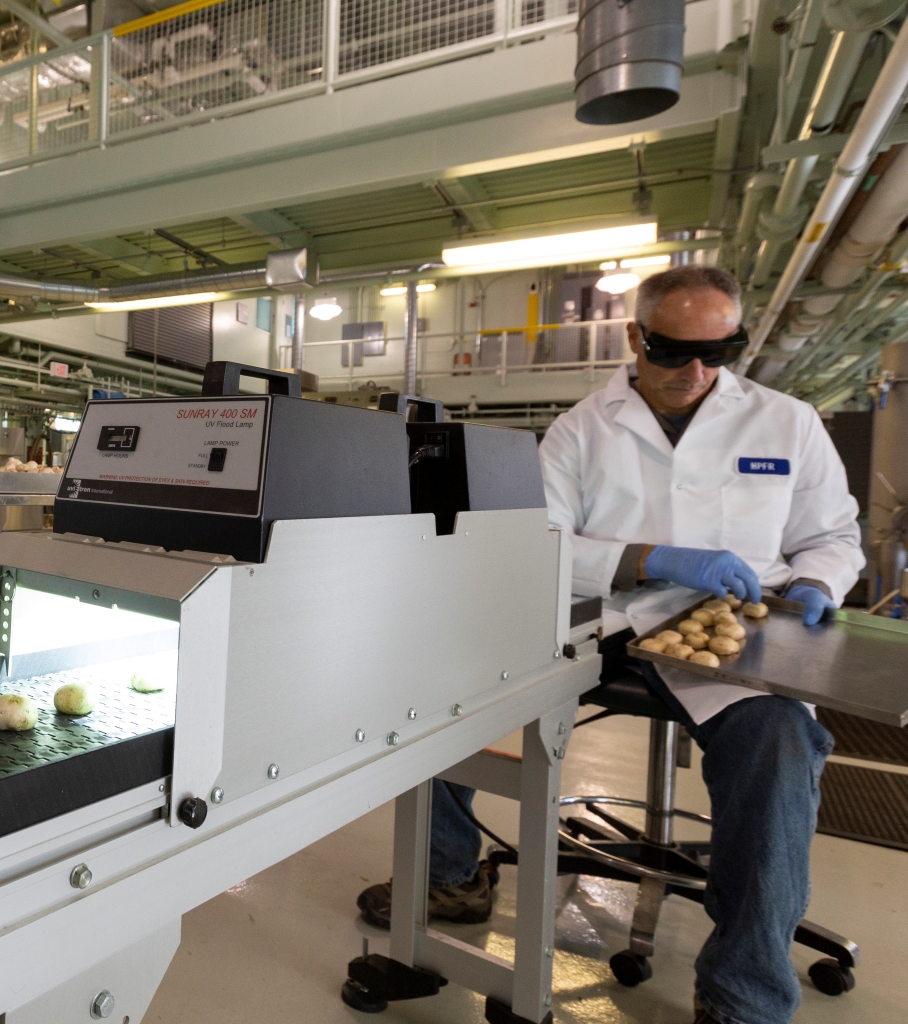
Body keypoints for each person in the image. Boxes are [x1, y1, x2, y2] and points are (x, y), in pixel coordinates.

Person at [356, 266, 864, 1024]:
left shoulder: (787, 422)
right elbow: (545, 539)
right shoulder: (583, 427)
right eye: (674, 351)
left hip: (736, 635)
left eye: (719, 352)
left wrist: (822, 582)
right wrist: (646, 559)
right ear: (636, 337)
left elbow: (830, 535)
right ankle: (449, 874)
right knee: (441, 682)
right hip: (611, 620)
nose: (696, 372)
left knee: (782, 742)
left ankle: (744, 994)